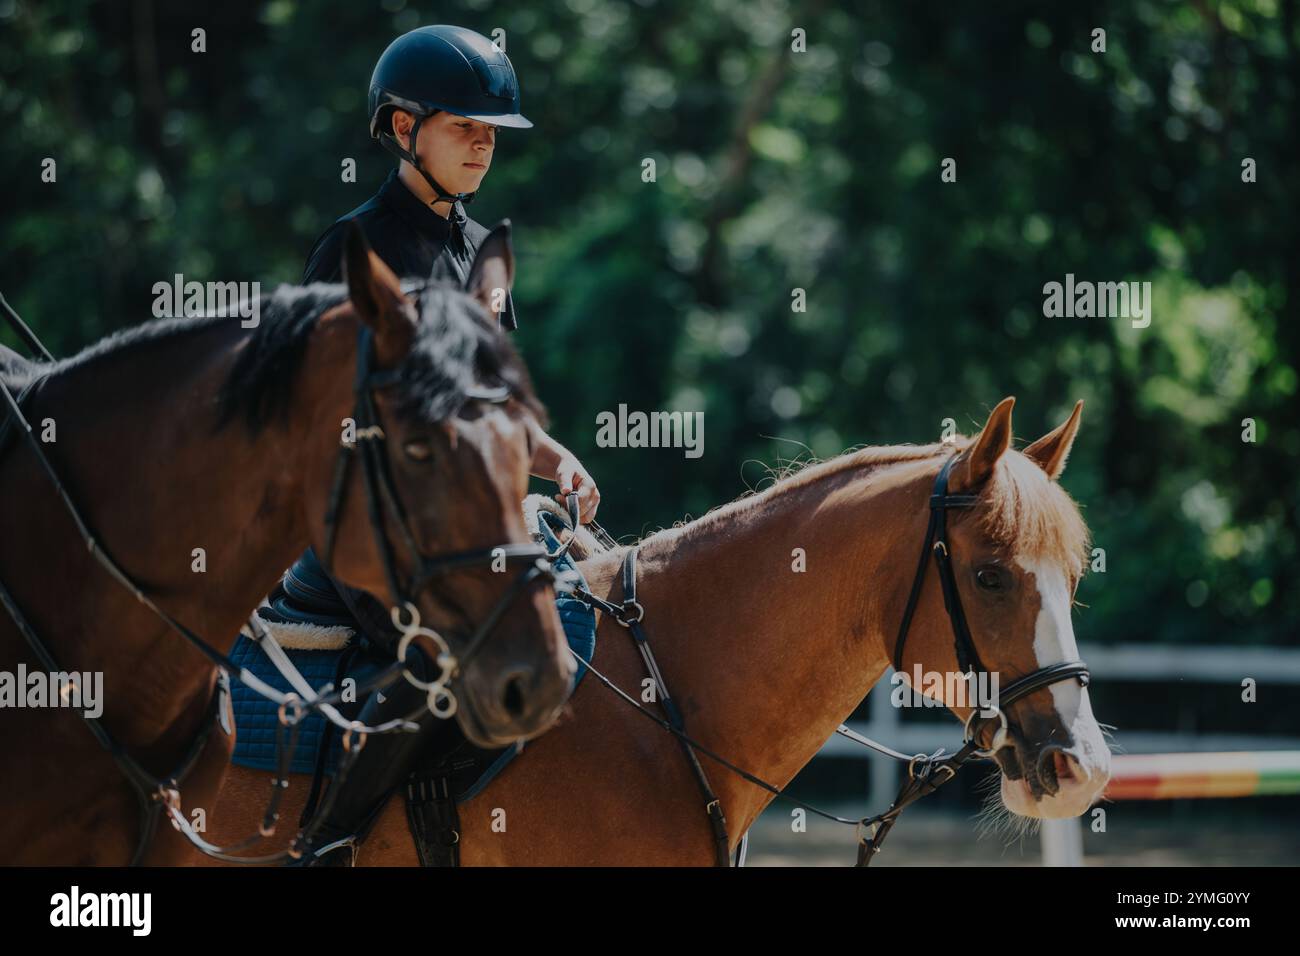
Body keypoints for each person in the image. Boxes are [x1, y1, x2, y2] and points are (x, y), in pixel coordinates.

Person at [277, 24, 600, 866]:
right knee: (437, 655)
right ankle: (332, 841)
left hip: (458, 521)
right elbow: (317, 420)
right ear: (400, 128)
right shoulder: (355, 249)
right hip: (362, 535)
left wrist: (555, 456)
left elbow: (496, 414)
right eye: (465, 126)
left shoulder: (481, 248)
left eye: (493, 132)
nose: (484, 144)